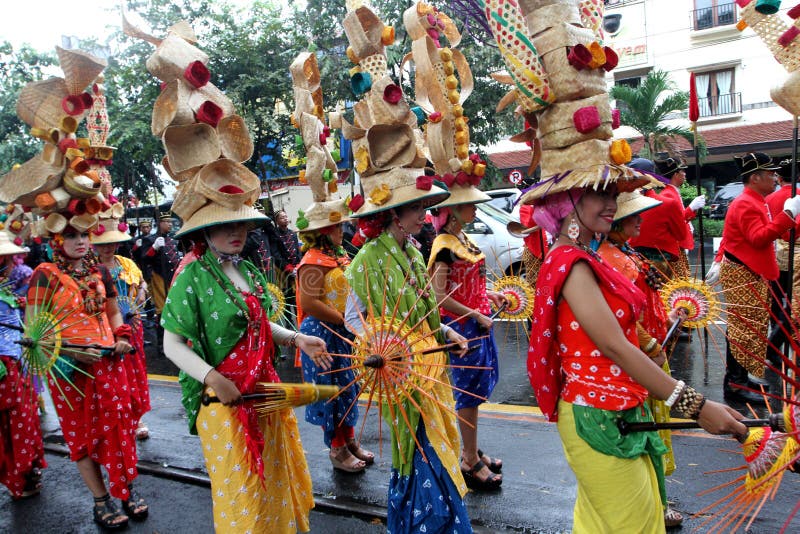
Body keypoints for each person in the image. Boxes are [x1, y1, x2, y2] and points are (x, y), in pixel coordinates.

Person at [526, 180, 747, 533]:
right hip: (596, 415)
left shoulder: (583, 255)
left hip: (619, 408)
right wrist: (696, 406)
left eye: (613, 194)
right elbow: (615, 346)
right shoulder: (572, 262)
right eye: (601, 194)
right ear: (567, 199)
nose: (613, 204)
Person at [162, 198, 326, 533]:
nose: (235, 232)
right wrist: (214, 379)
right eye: (224, 225)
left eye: (239, 223)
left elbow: (262, 323)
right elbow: (171, 345)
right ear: (205, 231)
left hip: (264, 393)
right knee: (242, 486)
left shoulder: (247, 270)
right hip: (224, 399)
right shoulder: (191, 276)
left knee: (274, 481)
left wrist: (296, 339)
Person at [345, 171, 472, 533]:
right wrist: (384, 345)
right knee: (419, 448)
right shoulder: (366, 260)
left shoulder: (414, 254)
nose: (424, 215)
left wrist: (446, 332)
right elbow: (353, 319)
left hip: (432, 369)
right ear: (394, 214)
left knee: (441, 443)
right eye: (415, 208)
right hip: (400, 375)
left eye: (424, 208)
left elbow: (425, 311)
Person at [27, 224, 146, 529]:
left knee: (120, 429)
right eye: (70, 235)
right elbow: (34, 333)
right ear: (56, 239)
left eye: (83, 235)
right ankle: (101, 500)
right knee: (82, 436)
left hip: (108, 363)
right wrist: (71, 351)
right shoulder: (44, 274)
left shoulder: (100, 272)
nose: (80, 241)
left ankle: (127, 491)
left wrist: (121, 337)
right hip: (71, 372)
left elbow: (113, 312)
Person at [596, 190, 686, 528]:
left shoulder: (624, 251)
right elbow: (621, 317)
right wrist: (649, 346)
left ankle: (656, 498)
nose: (641, 220)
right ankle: (657, 504)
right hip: (638, 354)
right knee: (650, 429)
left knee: (655, 426)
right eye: (634, 215)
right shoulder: (609, 258)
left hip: (648, 348)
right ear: (616, 221)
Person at [428, 184, 505, 491]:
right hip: (461, 330)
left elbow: (465, 285)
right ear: (454, 211)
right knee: (468, 394)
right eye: (470, 205)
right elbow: (438, 297)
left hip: (476, 325)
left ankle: (471, 449)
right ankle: (469, 460)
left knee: (475, 393)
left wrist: (489, 293)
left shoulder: (462, 239)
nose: (475, 209)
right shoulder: (443, 245)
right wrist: (474, 314)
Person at [706, 152, 799, 404]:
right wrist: (787, 216)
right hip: (743, 271)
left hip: (749, 270)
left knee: (752, 327)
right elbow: (759, 238)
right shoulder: (746, 202)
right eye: (770, 174)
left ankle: (742, 378)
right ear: (755, 177)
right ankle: (735, 385)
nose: (774, 179)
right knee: (742, 329)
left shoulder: (755, 199)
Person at [296, 212, 373, 473]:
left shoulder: (336, 256)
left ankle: (349, 440)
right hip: (323, 335)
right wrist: (341, 319)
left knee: (347, 389)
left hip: (342, 332)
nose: (342, 229)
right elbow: (309, 303)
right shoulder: (311, 261)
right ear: (323, 230)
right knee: (330, 392)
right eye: (337, 225)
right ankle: (337, 448)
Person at [92, 206, 151, 441]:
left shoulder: (127, 264)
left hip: (132, 325)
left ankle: (137, 419)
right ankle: (117, 420)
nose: (107, 247)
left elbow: (143, 283)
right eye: (102, 243)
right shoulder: (90, 269)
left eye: (111, 242)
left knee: (135, 373)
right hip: (105, 328)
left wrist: (141, 294)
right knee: (115, 375)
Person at [0, 230, 46, 501]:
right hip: (6, 366)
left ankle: (27, 470)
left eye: (6, 259)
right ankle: (18, 474)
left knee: (23, 419)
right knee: (9, 424)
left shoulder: (16, 281)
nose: (5, 264)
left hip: (19, 360)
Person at [627, 159, 689, 278]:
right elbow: (681, 235)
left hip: (632, 262)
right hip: (662, 264)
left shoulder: (622, 204)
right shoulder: (668, 203)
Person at [653, 157, 706, 279]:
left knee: (682, 280)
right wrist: (691, 208)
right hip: (674, 247)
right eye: (682, 171)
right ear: (676, 174)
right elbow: (675, 221)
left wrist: (692, 209)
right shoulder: (668, 194)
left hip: (678, 246)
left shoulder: (673, 192)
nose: (685, 174)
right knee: (680, 282)